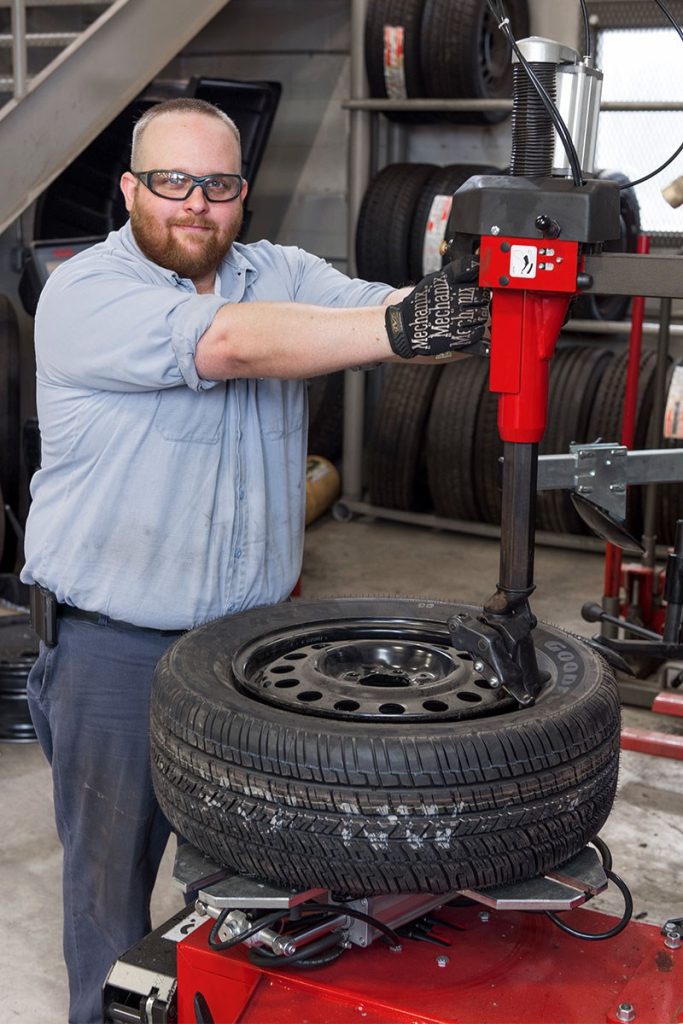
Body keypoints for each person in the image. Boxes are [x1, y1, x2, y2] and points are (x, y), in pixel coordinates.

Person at [21, 97, 490, 1023]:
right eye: (172, 182)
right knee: (109, 894)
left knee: (263, 892)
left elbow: (385, 316)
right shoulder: (84, 292)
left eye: (219, 184)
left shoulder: (281, 272)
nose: (196, 203)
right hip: (115, 653)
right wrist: (405, 328)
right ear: (130, 189)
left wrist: (472, 295)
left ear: (244, 192)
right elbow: (230, 345)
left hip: (251, 655)